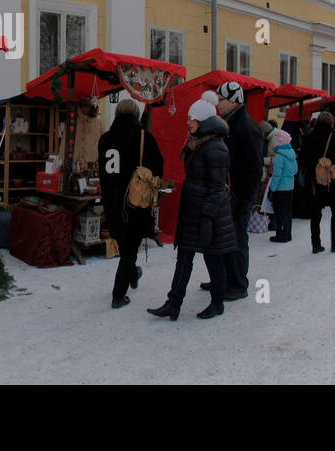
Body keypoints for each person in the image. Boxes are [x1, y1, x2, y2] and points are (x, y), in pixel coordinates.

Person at [148, 101, 237, 321]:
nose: (187, 123)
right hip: (193, 211)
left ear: (203, 122)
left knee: (213, 259)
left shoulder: (216, 147)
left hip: (210, 214)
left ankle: (217, 303)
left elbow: (217, 189)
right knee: (184, 258)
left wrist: (207, 216)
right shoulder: (197, 142)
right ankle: (173, 303)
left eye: (191, 119)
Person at [97, 99, 164, 309]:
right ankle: (118, 294)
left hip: (111, 199)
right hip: (136, 201)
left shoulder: (105, 139)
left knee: (125, 243)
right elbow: (158, 167)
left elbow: (103, 171)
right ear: (136, 115)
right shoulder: (144, 137)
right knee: (130, 248)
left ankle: (132, 273)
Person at [212, 81, 263, 301]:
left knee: (237, 239)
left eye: (221, 100)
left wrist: (245, 199)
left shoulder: (245, 126)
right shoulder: (231, 123)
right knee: (224, 238)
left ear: (234, 101)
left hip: (239, 196)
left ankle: (238, 284)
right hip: (229, 194)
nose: (218, 105)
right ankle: (223, 278)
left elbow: (254, 168)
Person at [301, 112, 335, 252]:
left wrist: (313, 170)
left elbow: (303, 160)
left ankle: (315, 244)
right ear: (330, 123)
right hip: (330, 181)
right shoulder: (331, 136)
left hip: (314, 182)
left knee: (315, 213)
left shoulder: (309, 137)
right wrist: (333, 168)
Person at [267, 129, 296, 243]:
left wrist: (272, 189)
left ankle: (281, 235)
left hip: (280, 189)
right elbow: (295, 170)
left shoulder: (279, 157)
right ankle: (287, 234)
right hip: (290, 187)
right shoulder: (292, 154)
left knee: (280, 212)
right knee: (288, 212)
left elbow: (276, 175)